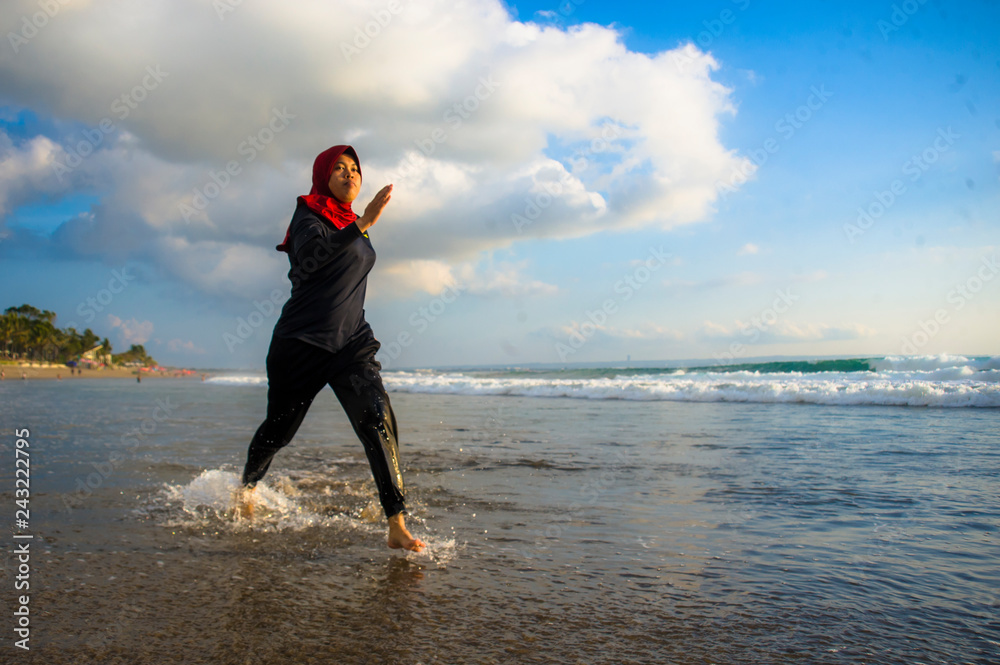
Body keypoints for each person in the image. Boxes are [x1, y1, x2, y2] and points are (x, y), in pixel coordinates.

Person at [238, 145, 424, 553]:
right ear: (324, 175)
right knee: (279, 432)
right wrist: (363, 224)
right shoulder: (308, 216)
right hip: (301, 343)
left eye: (355, 169)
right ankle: (247, 487)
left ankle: (397, 523)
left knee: (377, 420)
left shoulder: (352, 223)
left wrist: (359, 225)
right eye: (339, 168)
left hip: (350, 343)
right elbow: (310, 258)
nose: (349, 174)